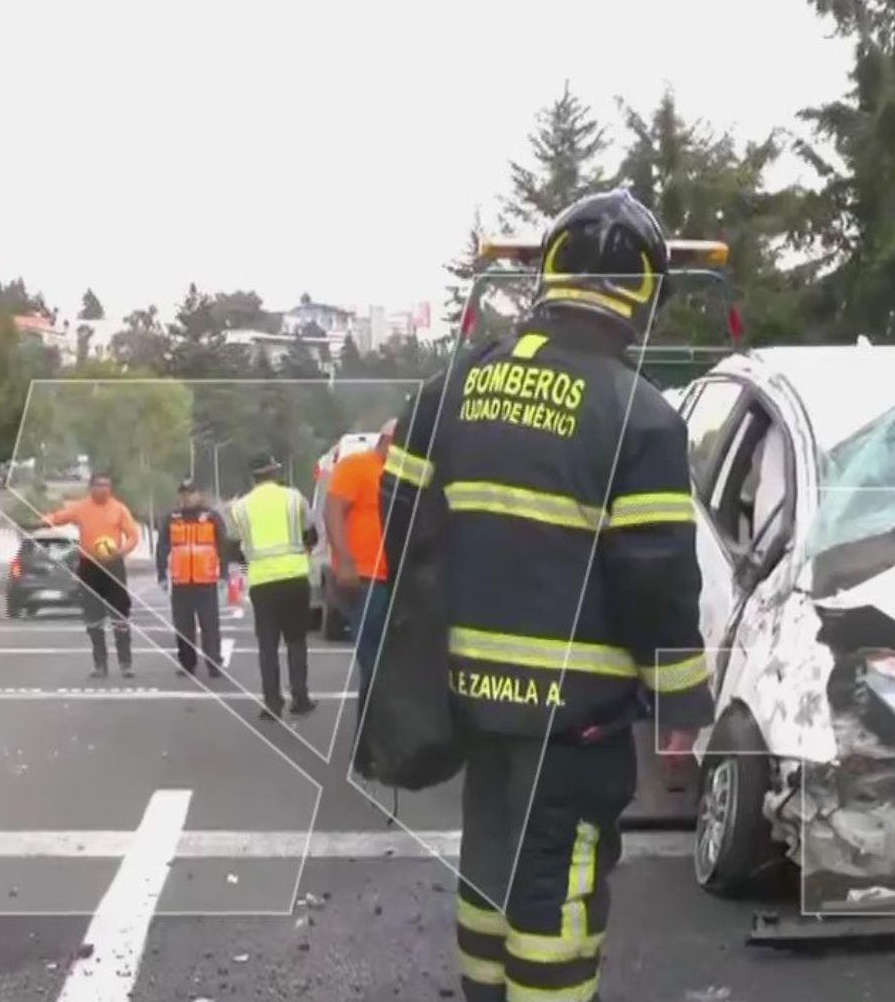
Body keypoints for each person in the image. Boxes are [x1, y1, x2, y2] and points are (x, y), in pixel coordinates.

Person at [377, 189, 715, 1002]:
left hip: (472, 704)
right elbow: (659, 582)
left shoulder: (448, 389)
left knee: (489, 879)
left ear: (551, 278)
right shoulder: (639, 417)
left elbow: (402, 527)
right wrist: (682, 710)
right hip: (574, 721)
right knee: (556, 898)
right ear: (642, 293)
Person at [230, 453, 318, 721]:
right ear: (275, 472)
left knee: (267, 645)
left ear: (253, 477)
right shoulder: (294, 498)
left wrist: (245, 575)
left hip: (262, 583)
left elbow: (237, 549)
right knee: (296, 641)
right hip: (294, 578)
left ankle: (272, 703)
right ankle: (300, 698)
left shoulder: (240, 507)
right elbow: (311, 535)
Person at [40, 472, 141, 679]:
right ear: (91, 487)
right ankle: (100, 665)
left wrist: (121, 552)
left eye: (107, 485)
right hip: (89, 567)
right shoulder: (81, 507)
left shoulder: (119, 509)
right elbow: (60, 517)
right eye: (99, 485)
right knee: (93, 617)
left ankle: (125, 664)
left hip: (113, 566)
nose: (103, 489)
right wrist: (47, 519)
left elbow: (133, 536)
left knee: (120, 616)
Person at [326, 419, 395, 692]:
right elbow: (333, 511)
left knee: (386, 660)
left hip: (394, 576)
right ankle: (378, 722)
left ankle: (376, 726)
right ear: (386, 441)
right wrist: (345, 561)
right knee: (373, 659)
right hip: (364, 577)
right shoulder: (356, 466)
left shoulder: (400, 473)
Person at [156, 478, 231, 679]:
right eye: (184, 493)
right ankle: (187, 664)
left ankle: (214, 663)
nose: (187, 497)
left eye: (191, 493)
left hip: (205, 580)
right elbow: (162, 547)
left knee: (210, 625)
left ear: (199, 494)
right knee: (183, 626)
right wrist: (162, 574)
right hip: (181, 582)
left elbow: (223, 546)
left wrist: (224, 574)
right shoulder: (171, 518)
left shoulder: (212, 517)